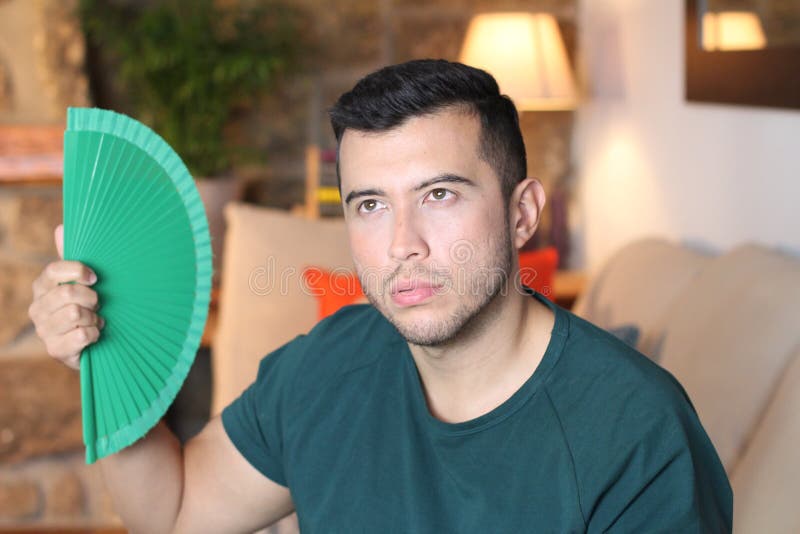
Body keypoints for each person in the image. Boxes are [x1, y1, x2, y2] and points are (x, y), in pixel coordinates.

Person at [29, 59, 732, 533]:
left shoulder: (638, 435)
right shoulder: (325, 366)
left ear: (523, 214)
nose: (403, 243)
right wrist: (101, 355)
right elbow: (177, 514)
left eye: (440, 195)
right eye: (369, 204)